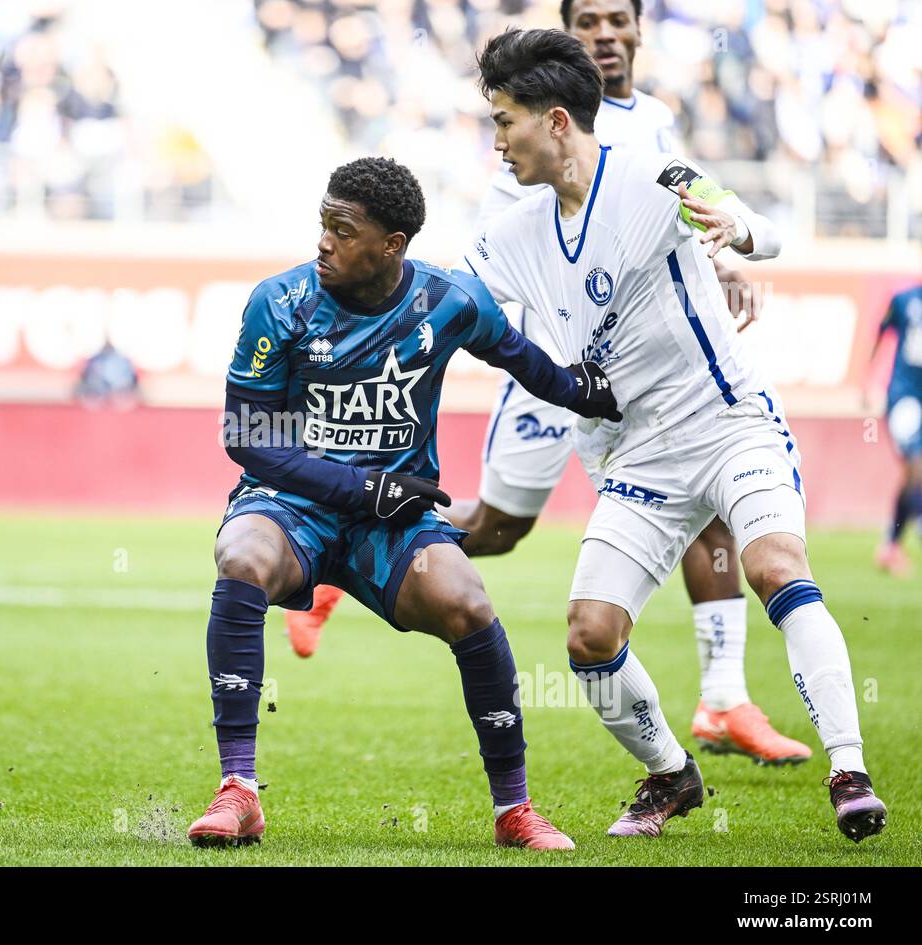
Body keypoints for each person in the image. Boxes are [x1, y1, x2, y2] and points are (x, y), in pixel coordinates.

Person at [284, 0, 810, 771]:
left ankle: (724, 698)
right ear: (568, 40)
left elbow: (682, 210)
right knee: (499, 529)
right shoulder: (530, 124)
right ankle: (348, 561)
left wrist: (721, 253)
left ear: (638, 30)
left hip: (643, 373)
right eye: (587, 20)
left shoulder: (653, 124)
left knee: (712, 507)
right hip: (544, 354)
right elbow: (485, 267)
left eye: (617, 19)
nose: (604, 33)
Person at [456, 27, 884, 842]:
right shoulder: (513, 231)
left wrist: (734, 225)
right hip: (639, 456)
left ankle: (847, 767)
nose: (498, 140)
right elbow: (447, 303)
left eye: (504, 120)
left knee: (774, 564)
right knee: (589, 635)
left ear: (553, 121)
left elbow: (762, 228)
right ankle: (670, 776)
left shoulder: (655, 173)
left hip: (729, 423)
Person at [187, 157, 621, 849]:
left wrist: (583, 391)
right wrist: (363, 486)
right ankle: (238, 791)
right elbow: (250, 442)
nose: (323, 242)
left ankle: (515, 811)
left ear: (391, 244)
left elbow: (515, 355)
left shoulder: (450, 300)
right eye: (322, 225)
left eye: (341, 229)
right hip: (291, 504)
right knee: (240, 556)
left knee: (470, 605)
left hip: (393, 523)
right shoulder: (280, 302)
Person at [870, 283, 922, 577]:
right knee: (916, 463)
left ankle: (890, 545)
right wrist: (868, 379)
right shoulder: (904, 300)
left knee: (912, 476)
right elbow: (882, 331)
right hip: (905, 397)